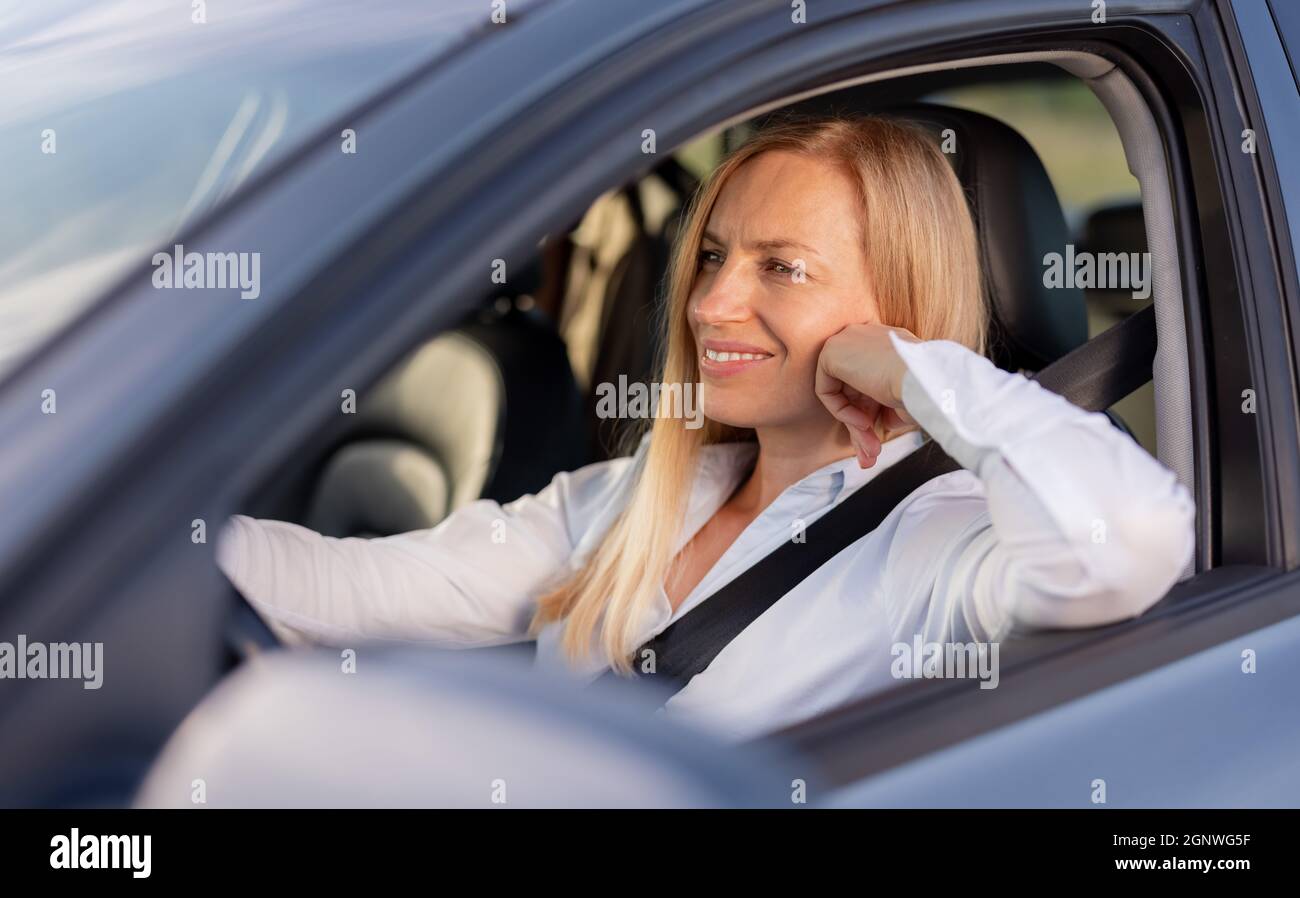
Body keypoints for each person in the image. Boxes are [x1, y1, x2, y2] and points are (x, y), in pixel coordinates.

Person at [216, 114, 1195, 743]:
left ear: (892, 305)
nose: (710, 303)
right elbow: (349, 590)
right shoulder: (641, 496)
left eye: (781, 267)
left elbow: (1124, 544)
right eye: (715, 255)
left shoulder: (932, 539)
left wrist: (913, 371)